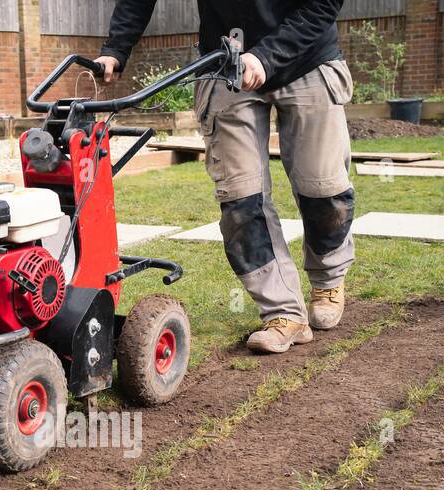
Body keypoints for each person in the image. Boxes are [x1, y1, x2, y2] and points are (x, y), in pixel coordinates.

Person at [96, 1, 354, 353]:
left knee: (323, 189)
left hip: (307, 57)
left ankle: (327, 279)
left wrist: (265, 57)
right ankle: (283, 313)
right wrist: (116, 47)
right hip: (227, 65)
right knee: (241, 201)